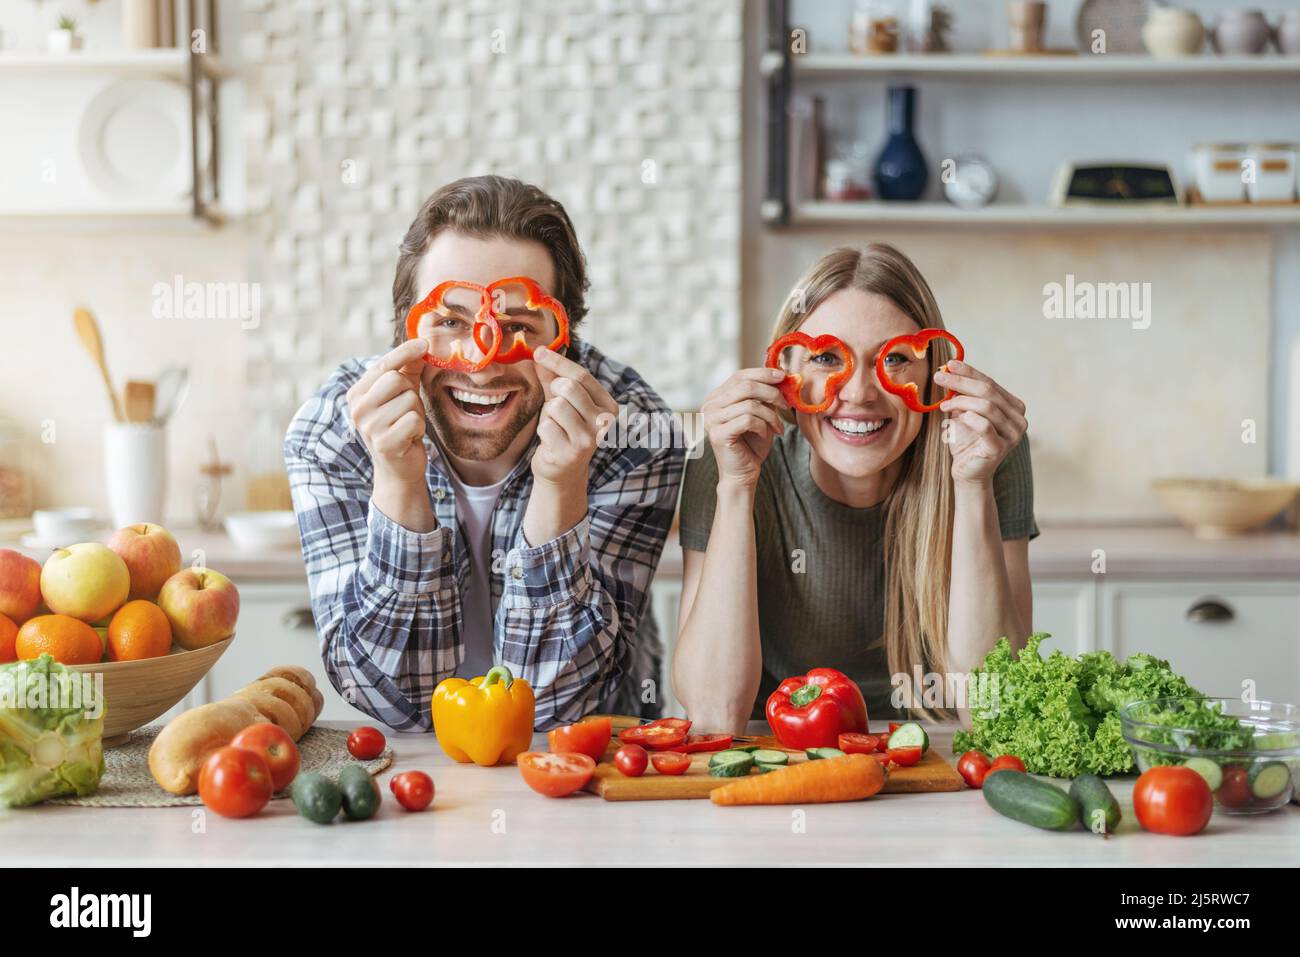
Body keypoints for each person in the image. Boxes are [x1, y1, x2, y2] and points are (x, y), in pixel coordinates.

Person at [285, 175, 684, 731]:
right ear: (406, 325)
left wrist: (560, 485)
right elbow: (388, 698)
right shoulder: (333, 432)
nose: (482, 358)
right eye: (450, 322)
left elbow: (552, 709)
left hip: (586, 771)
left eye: (517, 326)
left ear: (563, 337)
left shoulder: (635, 436)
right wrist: (399, 482)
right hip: (418, 772)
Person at [672, 243, 1036, 732]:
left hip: (933, 757)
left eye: (895, 360)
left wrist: (972, 486)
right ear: (786, 375)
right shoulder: (726, 456)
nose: (860, 393)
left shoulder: (984, 449)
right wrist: (737, 486)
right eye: (826, 357)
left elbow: (993, 711)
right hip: (778, 757)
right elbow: (714, 716)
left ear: (935, 375)